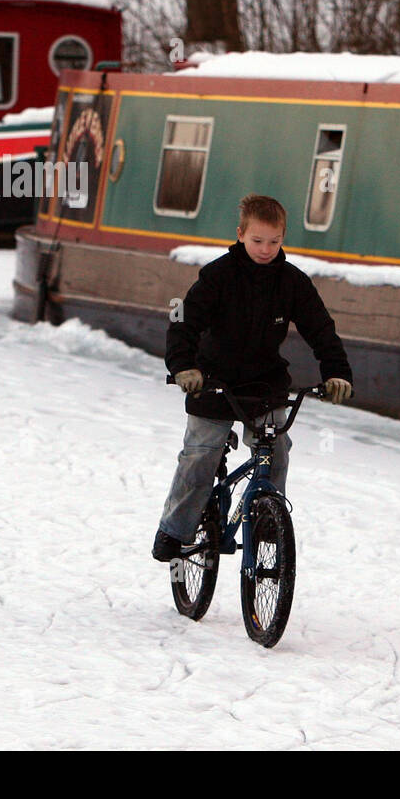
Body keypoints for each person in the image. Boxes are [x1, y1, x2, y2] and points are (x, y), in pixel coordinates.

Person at [152, 194, 353, 561]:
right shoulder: (217, 276)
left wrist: (337, 373)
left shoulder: (293, 282)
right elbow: (183, 322)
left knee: (277, 451)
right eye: (257, 240)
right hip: (212, 381)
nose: (265, 249)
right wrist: (184, 367)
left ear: (283, 238)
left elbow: (321, 330)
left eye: (274, 241)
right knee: (200, 456)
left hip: (264, 384)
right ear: (240, 234)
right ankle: (174, 529)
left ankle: (267, 520)